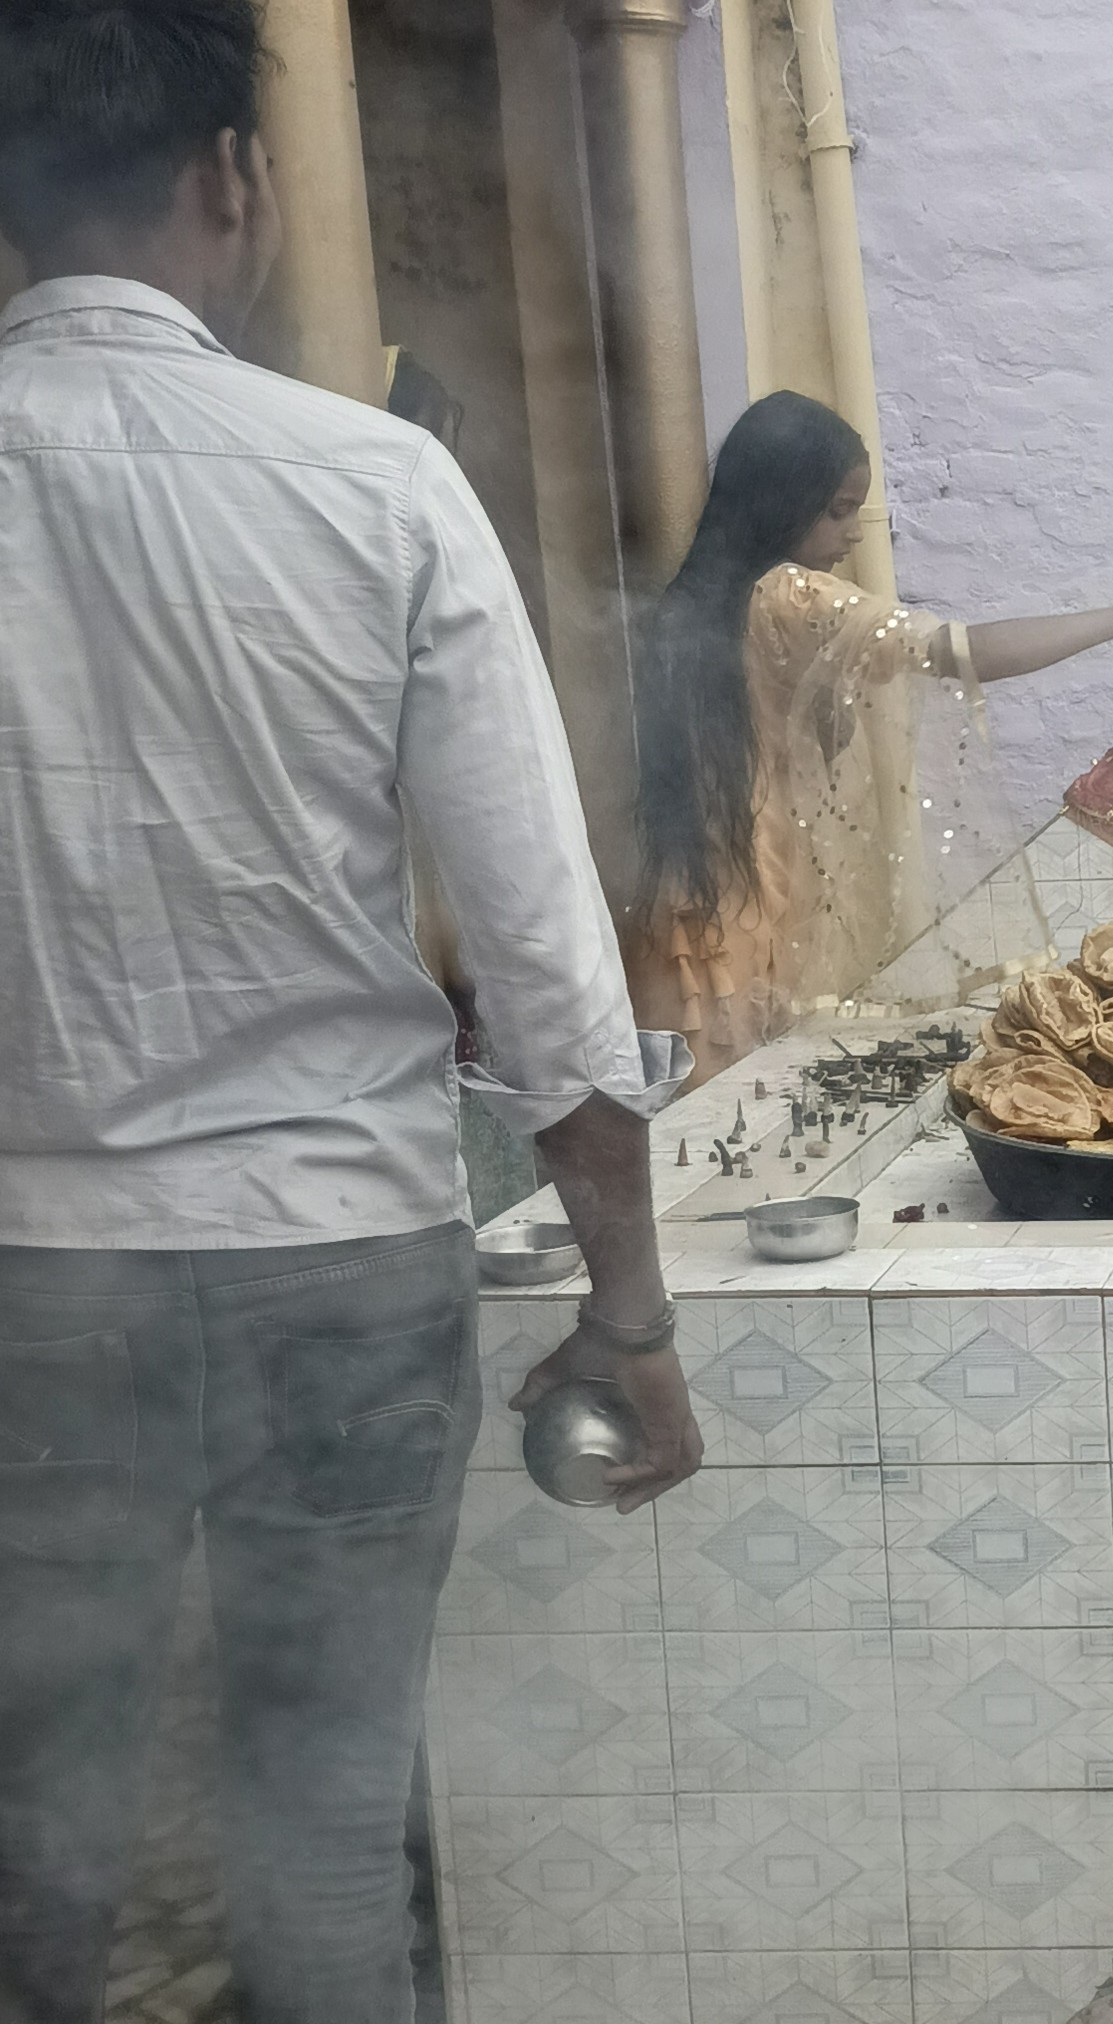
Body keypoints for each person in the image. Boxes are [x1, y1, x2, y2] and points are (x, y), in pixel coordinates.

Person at [0, 4, 701, 2019]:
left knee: (38, 1835)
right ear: (233, 180)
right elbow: (551, 973)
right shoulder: (374, 484)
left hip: (36, 1288)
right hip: (334, 1263)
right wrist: (629, 1315)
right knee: (317, 1825)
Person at [627, 389, 1113, 1085]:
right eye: (839, 511)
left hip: (686, 901)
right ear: (779, 504)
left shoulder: (695, 603)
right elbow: (962, 652)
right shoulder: (790, 595)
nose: (853, 534)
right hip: (748, 902)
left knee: (702, 1133)